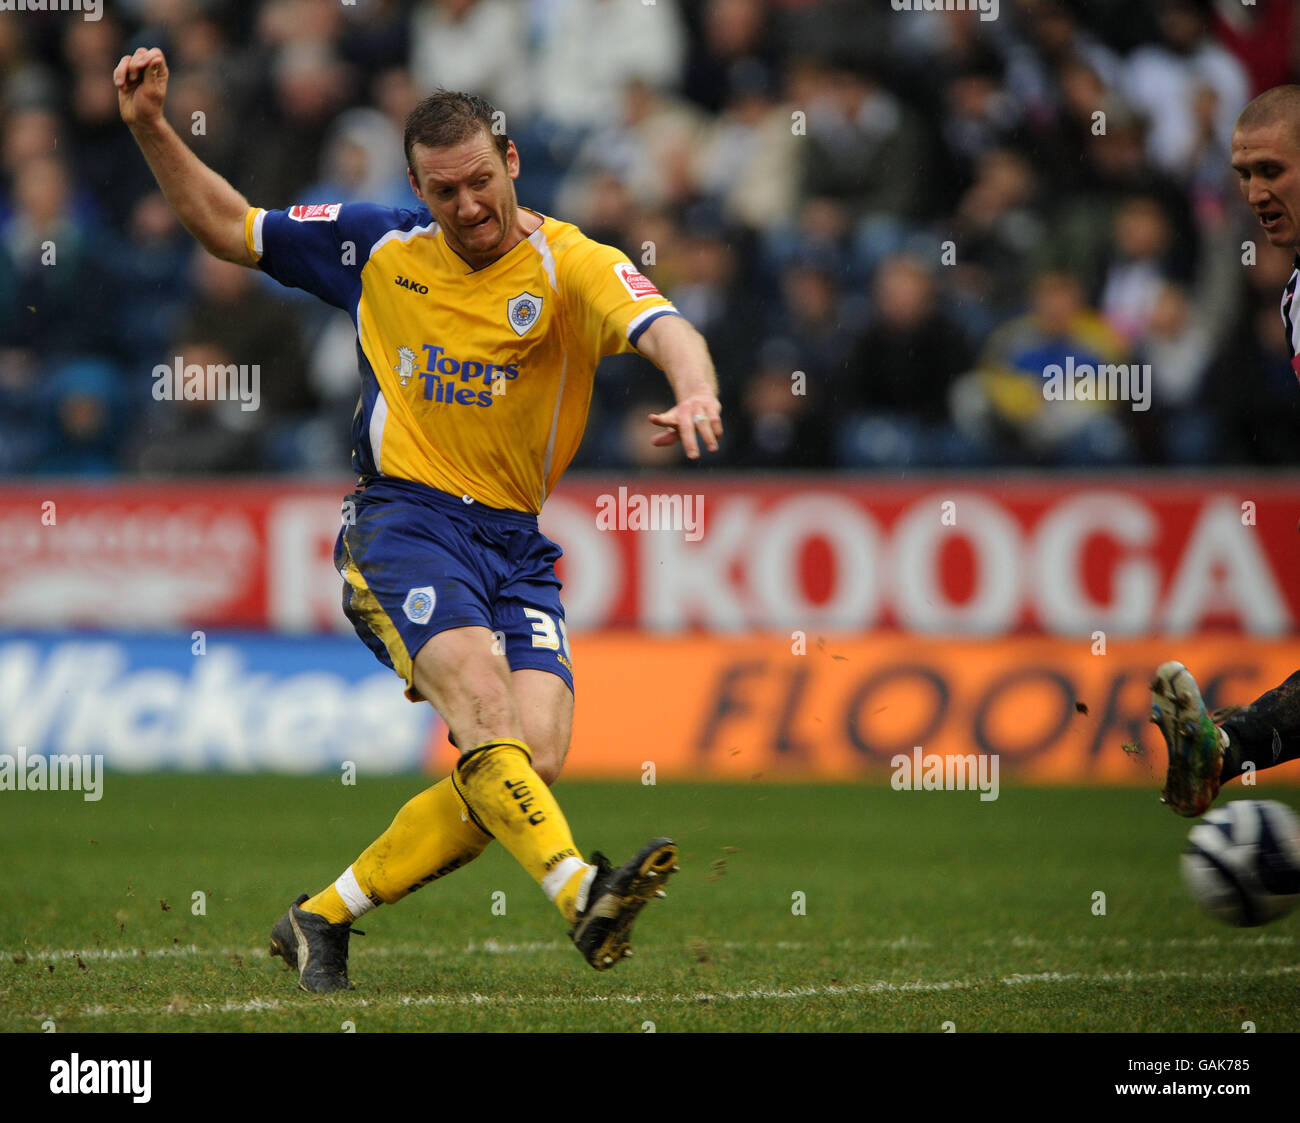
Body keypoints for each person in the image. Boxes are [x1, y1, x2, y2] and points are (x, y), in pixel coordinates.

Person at [116, 46, 723, 991]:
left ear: (511, 161)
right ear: (416, 188)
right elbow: (227, 226)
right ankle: (581, 893)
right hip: (403, 523)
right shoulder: (378, 248)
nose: (469, 206)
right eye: (445, 192)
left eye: (481, 181)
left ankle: (319, 918)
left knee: (533, 759)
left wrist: (693, 391)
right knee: (485, 717)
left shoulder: (571, 263)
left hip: (514, 545)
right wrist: (153, 126)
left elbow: (667, 326)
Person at [1153, 84, 1300, 817]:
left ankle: (1228, 747)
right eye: (1244, 175)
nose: (1255, 192)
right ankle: (1227, 748)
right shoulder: (1294, 296)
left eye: (1272, 169)